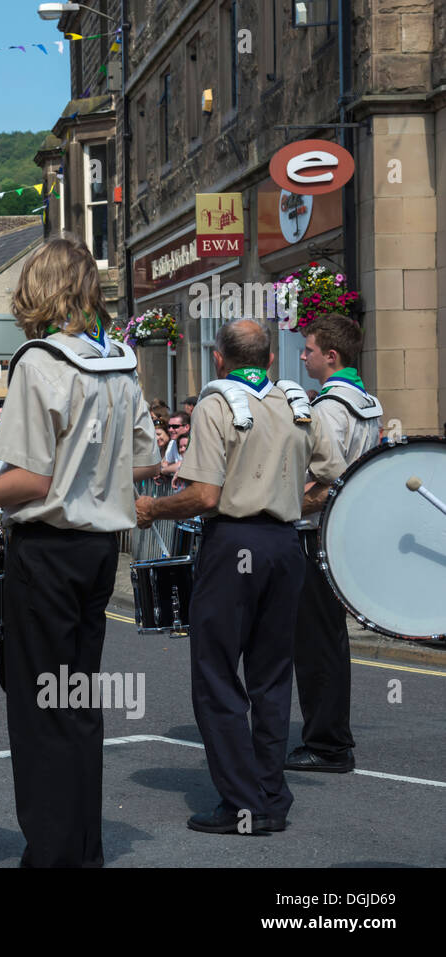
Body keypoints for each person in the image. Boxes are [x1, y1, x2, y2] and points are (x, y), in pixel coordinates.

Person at [0, 235, 159, 866]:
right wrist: (91, 484)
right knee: (77, 703)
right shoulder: (120, 363)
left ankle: (50, 854)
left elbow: (30, 482)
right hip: (100, 552)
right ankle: (82, 850)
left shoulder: (39, 361)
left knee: (38, 706)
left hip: (46, 551)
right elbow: (147, 462)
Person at [136, 319, 346, 836]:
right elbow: (333, 472)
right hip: (285, 544)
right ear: (272, 360)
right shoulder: (298, 402)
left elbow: (204, 496)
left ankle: (241, 803)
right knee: (272, 678)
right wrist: (284, 499)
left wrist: (153, 509)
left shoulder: (215, 404)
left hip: (233, 546)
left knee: (216, 676)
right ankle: (271, 796)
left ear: (218, 358)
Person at [288, 314, 382, 774]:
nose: (302, 355)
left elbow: (330, 481)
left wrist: (281, 504)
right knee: (328, 640)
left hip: (314, 534)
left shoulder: (328, 408)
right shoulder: (367, 401)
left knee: (315, 644)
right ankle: (331, 737)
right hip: (341, 535)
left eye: (308, 349)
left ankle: (327, 745)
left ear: (332, 355)